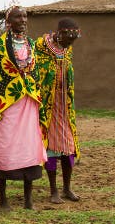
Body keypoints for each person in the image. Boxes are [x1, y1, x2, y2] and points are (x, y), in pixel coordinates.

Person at [0, 4, 47, 211]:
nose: (23, 20)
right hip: (6, 107)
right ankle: (3, 199)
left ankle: (28, 199)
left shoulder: (31, 45)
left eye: (25, 17)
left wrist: (30, 88)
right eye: (18, 17)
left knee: (29, 145)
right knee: (5, 146)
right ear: (8, 22)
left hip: (29, 104)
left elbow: (35, 73)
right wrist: (16, 85)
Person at [35, 18, 82, 203]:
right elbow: (39, 72)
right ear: (60, 33)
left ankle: (67, 188)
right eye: (68, 40)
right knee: (52, 149)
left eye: (73, 41)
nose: (71, 44)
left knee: (69, 149)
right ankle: (53, 190)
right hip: (50, 107)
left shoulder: (66, 49)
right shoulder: (42, 48)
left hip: (65, 107)